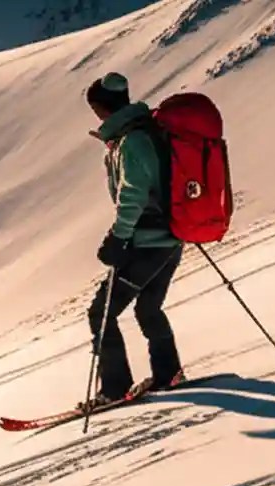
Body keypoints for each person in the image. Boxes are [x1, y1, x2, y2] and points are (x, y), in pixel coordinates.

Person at [82, 72, 184, 408]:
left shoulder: (133, 141)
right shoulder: (142, 132)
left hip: (147, 243)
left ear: (103, 108)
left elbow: (133, 195)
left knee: (102, 312)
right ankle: (168, 373)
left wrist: (118, 238)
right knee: (148, 307)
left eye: (95, 108)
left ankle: (114, 388)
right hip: (169, 238)